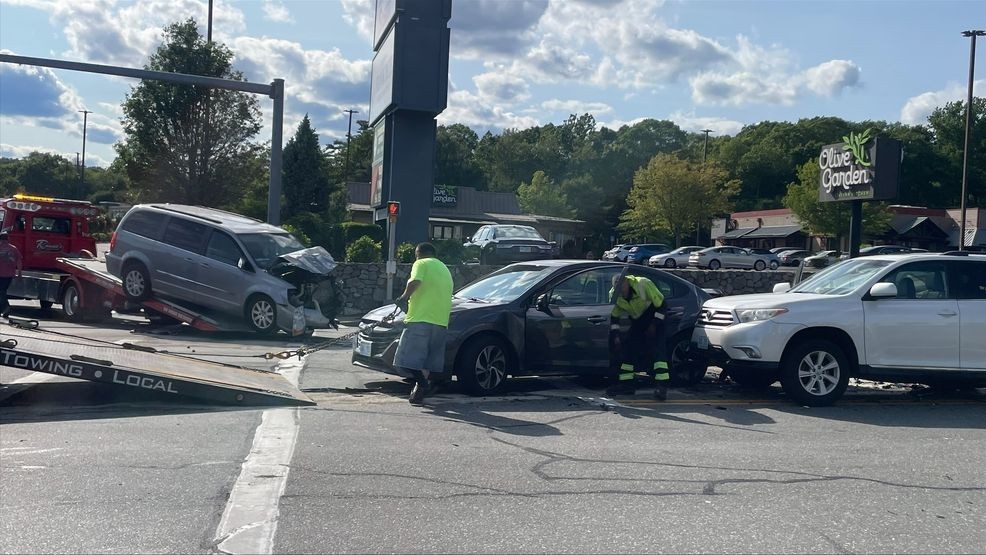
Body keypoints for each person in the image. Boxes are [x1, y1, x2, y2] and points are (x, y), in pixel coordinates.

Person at [391, 242, 453, 405]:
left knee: (405, 360)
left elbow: (414, 282)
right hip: (440, 322)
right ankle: (419, 392)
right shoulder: (444, 269)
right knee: (425, 363)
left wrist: (403, 298)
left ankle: (423, 384)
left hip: (420, 319)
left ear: (419, 253)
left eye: (416, 254)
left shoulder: (421, 263)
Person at [606, 273, 670, 400]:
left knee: (658, 354)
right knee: (627, 351)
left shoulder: (643, 284)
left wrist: (654, 325)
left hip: (654, 318)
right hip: (638, 321)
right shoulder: (614, 294)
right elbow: (614, 317)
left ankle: (661, 387)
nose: (620, 294)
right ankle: (627, 386)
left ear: (626, 283)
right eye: (617, 291)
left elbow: (662, 306)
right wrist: (616, 336)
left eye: (621, 290)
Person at [0, 230, 23, 319]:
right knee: (3, 291)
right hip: (9, 275)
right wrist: (19, 273)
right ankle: (4, 309)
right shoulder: (14, 248)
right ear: (8, 239)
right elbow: (19, 261)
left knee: (1, 292)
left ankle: (6, 308)